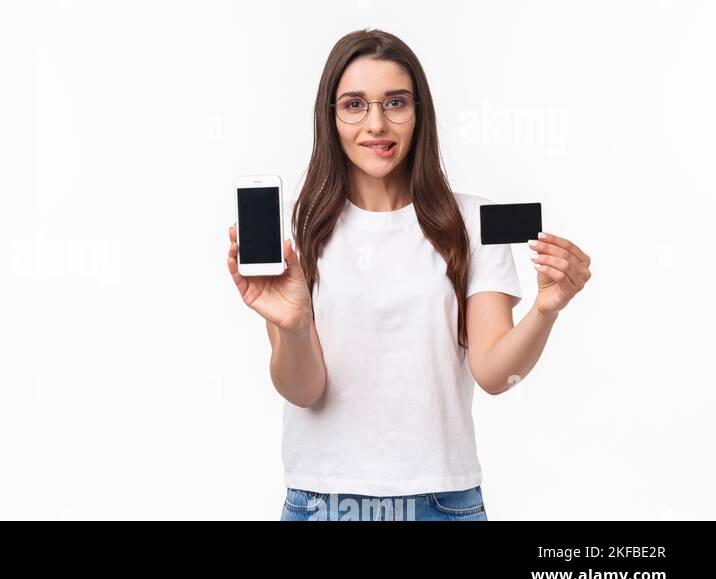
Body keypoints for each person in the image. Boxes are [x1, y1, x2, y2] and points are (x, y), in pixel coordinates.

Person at [225, 29, 592, 521]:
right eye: (354, 105)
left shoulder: (472, 222)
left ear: (419, 113)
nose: (376, 123)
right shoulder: (293, 226)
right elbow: (303, 390)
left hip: (443, 501)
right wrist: (291, 327)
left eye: (395, 102)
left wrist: (546, 309)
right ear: (330, 118)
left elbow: (495, 374)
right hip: (323, 502)